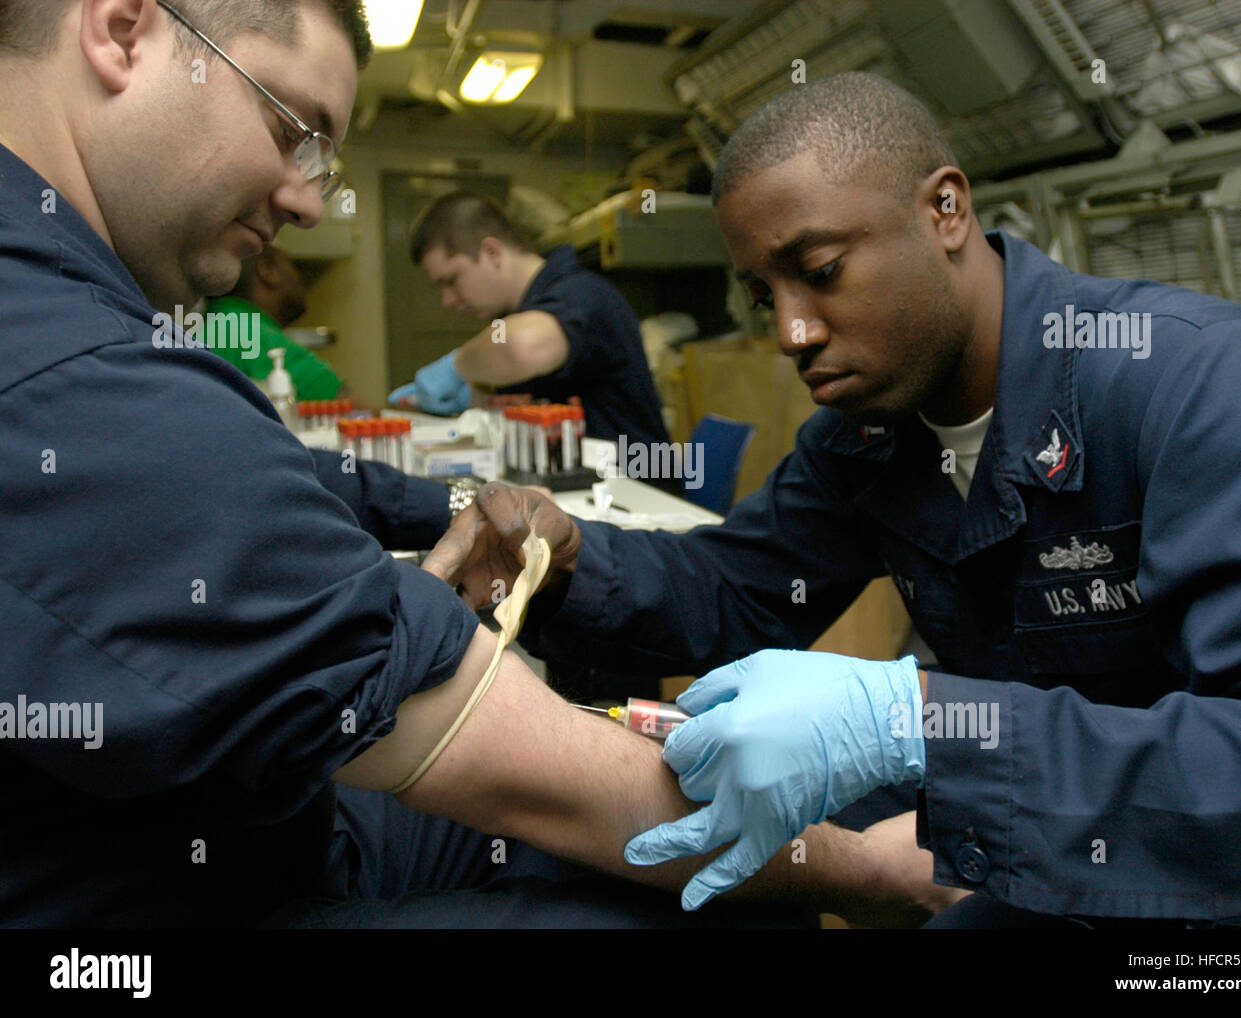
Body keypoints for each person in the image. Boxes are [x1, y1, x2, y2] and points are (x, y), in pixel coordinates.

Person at [0, 1, 956, 928]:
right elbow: (721, 604)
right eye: (294, 128)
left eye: (821, 271)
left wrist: (938, 720)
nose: (305, 196)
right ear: (120, 30)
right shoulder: (80, 370)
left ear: (946, 210)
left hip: (211, 845)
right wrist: (863, 866)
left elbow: (516, 364)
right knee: (726, 886)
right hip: (175, 886)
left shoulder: (576, 297)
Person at [428, 71, 1241, 927]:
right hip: (1029, 819)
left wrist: (921, 724)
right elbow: (733, 591)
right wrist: (567, 561)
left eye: (822, 270)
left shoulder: (1200, 389)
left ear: (945, 210)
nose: (790, 333)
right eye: (764, 296)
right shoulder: (871, 438)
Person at [393, 192, 673, 458]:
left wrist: (458, 366)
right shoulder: (521, 313)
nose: (447, 300)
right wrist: (475, 397)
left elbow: (520, 347)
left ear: (492, 252)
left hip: (638, 492)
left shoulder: (581, 294)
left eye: (451, 280)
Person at [201, 243, 347, 399]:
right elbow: (353, 410)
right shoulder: (253, 334)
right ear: (268, 272)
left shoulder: (200, 331)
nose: (299, 277)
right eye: (290, 264)